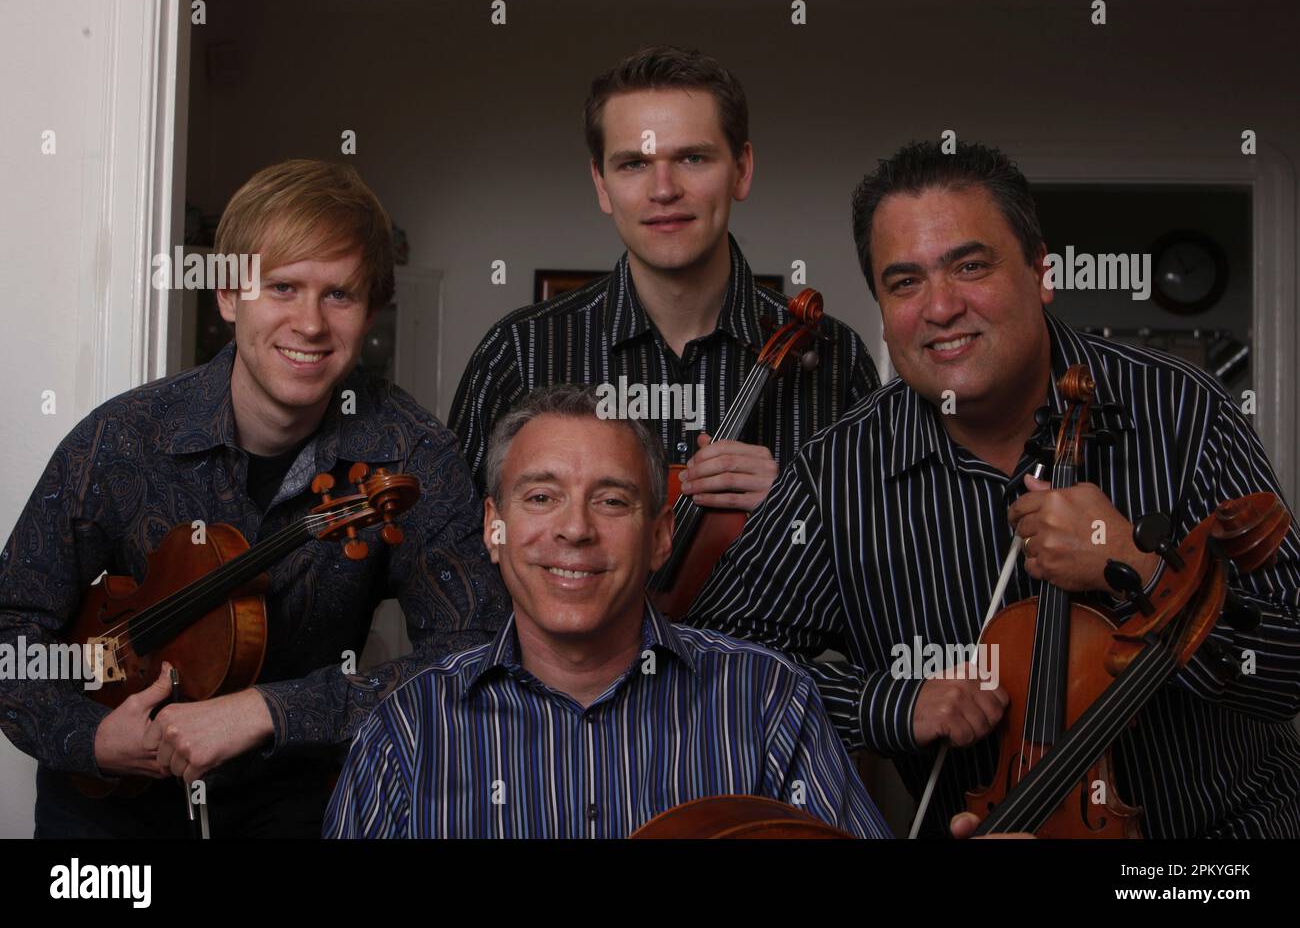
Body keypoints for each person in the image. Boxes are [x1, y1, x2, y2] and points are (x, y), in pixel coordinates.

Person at [689, 140, 1300, 837]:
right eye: (905, 281)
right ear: (883, 309)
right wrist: (893, 704)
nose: (941, 307)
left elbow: (1290, 665)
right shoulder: (839, 471)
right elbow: (712, 671)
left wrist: (1134, 562)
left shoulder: (1182, 410)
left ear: (1042, 272)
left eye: (969, 266)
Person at [0, 159, 508, 837]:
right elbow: (12, 633)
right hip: (106, 815)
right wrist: (90, 739)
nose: (310, 323)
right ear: (227, 296)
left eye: (339, 294)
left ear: (371, 311)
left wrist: (270, 711)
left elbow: (475, 653)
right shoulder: (122, 439)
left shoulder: (411, 455)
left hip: (291, 805)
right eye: (282, 286)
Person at [325, 384, 891, 838]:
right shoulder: (405, 732)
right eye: (542, 497)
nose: (575, 529)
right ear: (493, 528)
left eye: (612, 500)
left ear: (660, 537)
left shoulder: (769, 701)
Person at [450, 45, 878, 515]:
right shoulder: (515, 351)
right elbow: (453, 552)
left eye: (693, 158)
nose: (663, 190)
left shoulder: (838, 359)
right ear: (601, 184)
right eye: (634, 163)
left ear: (742, 169)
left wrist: (804, 502)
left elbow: (885, 556)